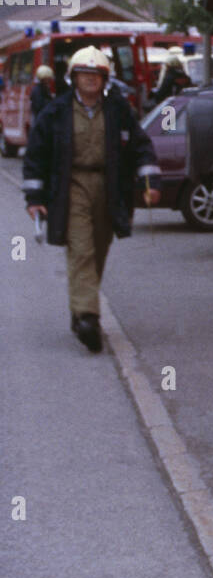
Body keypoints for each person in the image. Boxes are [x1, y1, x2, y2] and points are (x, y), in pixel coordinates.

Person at [22, 46, 161, 353]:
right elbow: (36, 154)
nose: (90, 80)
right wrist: (34, 197)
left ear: (104, 79)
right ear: (74, 78)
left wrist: (150, 179)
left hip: (110, 187)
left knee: (98, 248)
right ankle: (87, 319)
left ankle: (80, 307)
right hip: (70, 186)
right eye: (84, 75)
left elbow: (140, 144)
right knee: (81, 248)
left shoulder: (117, 109)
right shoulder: (56, 112)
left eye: (96, 75)